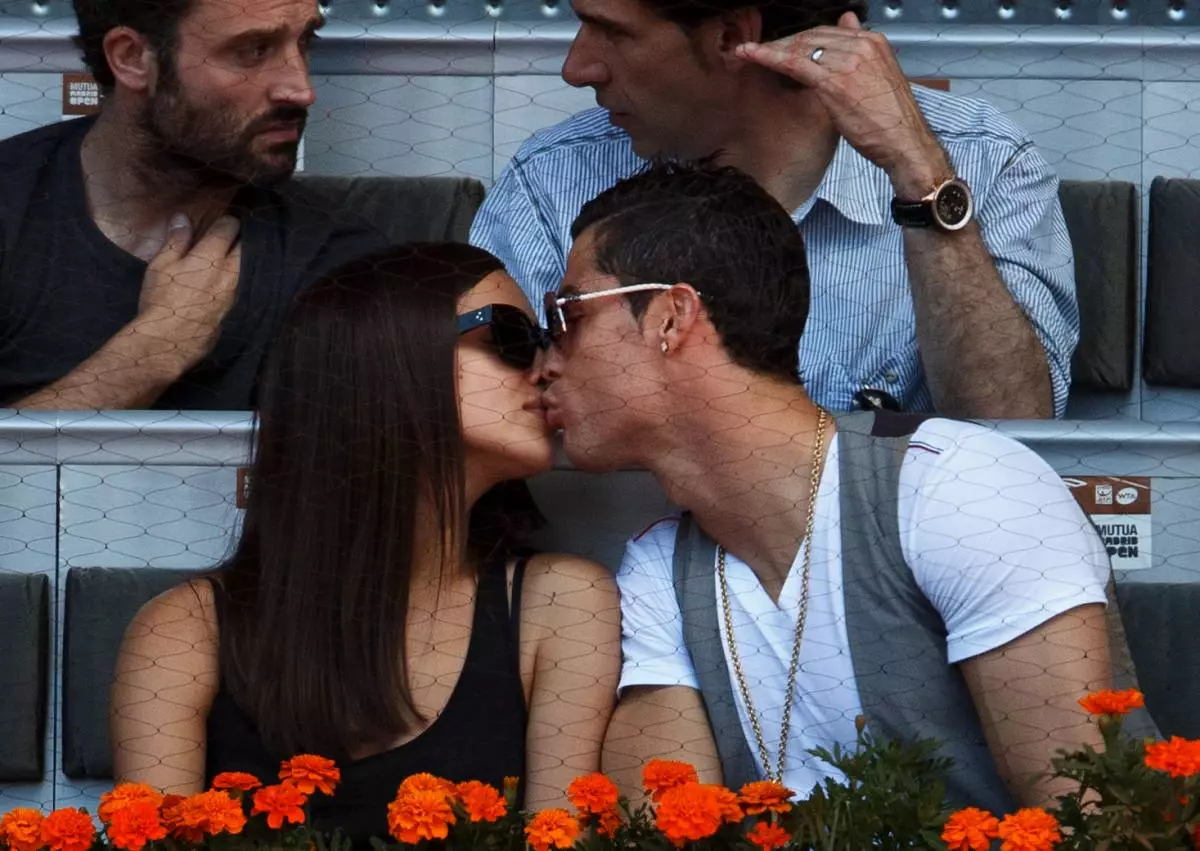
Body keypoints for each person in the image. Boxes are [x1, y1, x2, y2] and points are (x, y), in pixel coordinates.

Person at [539, 162, 1123, 812]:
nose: (543, 363)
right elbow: (665, 830)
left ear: (672, 318)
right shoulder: (660, 572)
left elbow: (1086, 820)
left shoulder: (961, 487)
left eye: (566, 314)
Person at [110, 243, 621, 840]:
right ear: (383, 361)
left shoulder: (561, 603)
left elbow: (559, 835)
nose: (545, 365)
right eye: (509, 337)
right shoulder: (184, 630)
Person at [472, 0, 1078, 419]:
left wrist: (918, 173)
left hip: (898, 579)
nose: (577, 68)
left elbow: (1013, 430)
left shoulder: (978, 158)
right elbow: (487, 420)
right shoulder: (555, 176)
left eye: (614, 31)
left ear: (733, 36)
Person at [0, 0, 390, 410]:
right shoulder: (13, 210)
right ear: (132, 58)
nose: (300, 89)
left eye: (305, 41)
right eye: (253, 50)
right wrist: (152, 353)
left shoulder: (342, 265)